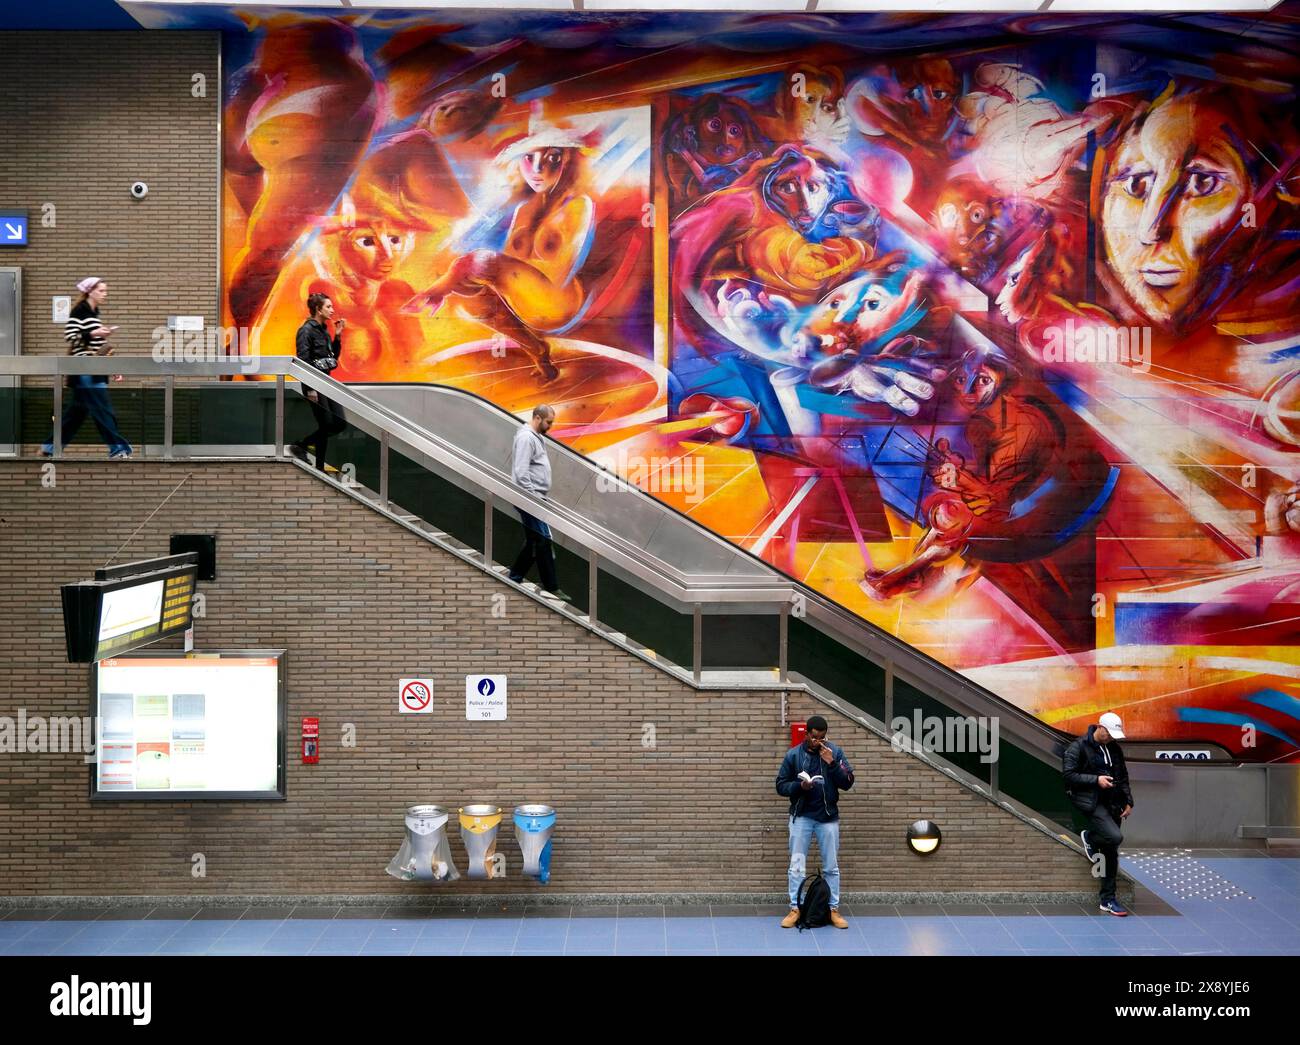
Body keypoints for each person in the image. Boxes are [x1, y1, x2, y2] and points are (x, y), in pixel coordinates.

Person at [775, 715, 855, 929]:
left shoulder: (834, 752)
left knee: (831, 867)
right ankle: (795, 908)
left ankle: (833, 909)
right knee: (797, 865)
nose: (817, 741)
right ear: (806, 734)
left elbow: (848, 782)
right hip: (801, 818)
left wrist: (832, 763)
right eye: (814, 737)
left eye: (822, 738)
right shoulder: (793, 755)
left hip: (827, 819)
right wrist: (800, 787)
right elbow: (780, 785)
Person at [41, 277, 131, 459]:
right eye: (101, 291)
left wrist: (113, 366)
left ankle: (50, 448)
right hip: (86, 370)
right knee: (102, 410)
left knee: (75, 415)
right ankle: (118, 448)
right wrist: (93, 333)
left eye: (105, 291)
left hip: (92, 369)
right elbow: (70, 336)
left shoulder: (93, 314)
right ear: (90, 291)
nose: (105, 294)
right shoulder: (80, 311)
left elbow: (98, 346)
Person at [1062, 711, 1134, 916]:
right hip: (1091, 801)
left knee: (1111, 850)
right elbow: (1068, 775)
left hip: (1113, 802)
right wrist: (1096, 780)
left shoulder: (1114, 748)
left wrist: (1129, 801)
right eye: (1108, 733)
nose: (1110, 737)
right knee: (1114, 837)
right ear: (1099, 727)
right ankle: (1091, 837)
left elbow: (1123, 776)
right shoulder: (1078, 747)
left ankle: (1108, 899)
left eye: (1113, 735)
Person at [507, 405, 570, 601]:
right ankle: (551, 586)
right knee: (542, 539)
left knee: (534, 540)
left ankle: (515, 577)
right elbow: (521, 471)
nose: (550, 426)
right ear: (537, 418)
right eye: (548, 422)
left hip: (535, 497)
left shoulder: (537, 437)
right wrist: (532, 497)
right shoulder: (526, 438)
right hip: (529, 497)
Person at [289, 292, 348, 471]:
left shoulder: (323, 330)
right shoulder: (306, 330)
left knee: (339, 423)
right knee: (326, 424)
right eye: (328, 306)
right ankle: (317, 463)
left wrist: (338, 336)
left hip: (326, 381)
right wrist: (310, 388)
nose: (332, 310)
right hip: (314, 384)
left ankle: (302, 446)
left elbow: (332, 358)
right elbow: (303, 361)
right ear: (318, 309)